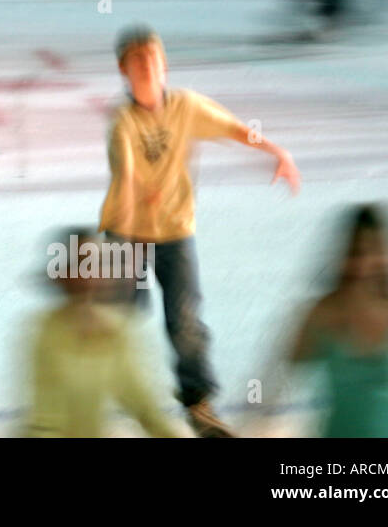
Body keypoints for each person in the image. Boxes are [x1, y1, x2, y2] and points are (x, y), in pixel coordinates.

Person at [99, 25, 300, 437]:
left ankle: (197, 401)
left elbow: (235, 128)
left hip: (174, 232)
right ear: (123, 70)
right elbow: (127, 169)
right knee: (119, 320)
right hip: (124, 232)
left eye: (152, 58)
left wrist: (277, 151)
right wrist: (141, 194)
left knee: (186, 320)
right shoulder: (122, 120)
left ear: (165, 65)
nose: (146, 66)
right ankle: (114, 392)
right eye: (137, 61)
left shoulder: (187, 107)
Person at [20, 229, 186, 438]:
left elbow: (146, 409)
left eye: (98, 265)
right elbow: (45, 419)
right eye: (83, 265)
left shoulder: (118, 330)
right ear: (63, 274)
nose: (92, 274)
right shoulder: (43, 331)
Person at [288, 205, 388, 437]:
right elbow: (274, 383)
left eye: (375, 251)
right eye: (357, 253)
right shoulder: (322, 313)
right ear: (344, 257)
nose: (365, 263)